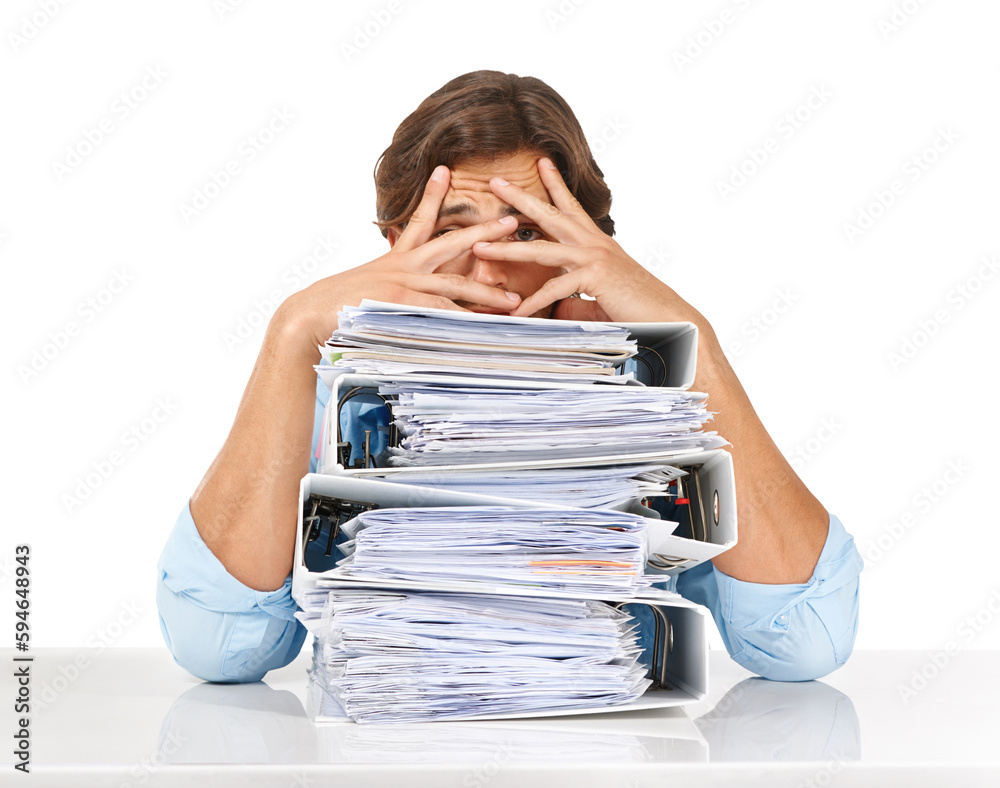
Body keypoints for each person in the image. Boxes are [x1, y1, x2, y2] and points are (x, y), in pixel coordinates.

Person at [156, 70, 863, 684]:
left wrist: (691, 341)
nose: (488, 267)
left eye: (526, 231)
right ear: (394, 246)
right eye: (452, 228)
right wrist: (290, 333)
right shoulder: (336, 400)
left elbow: (804, 641)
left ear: (582, 245)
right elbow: (220, 647)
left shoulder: (651, 406)